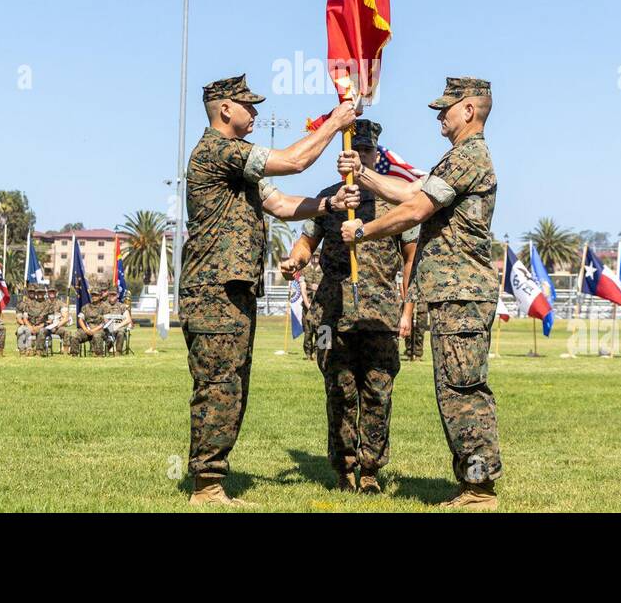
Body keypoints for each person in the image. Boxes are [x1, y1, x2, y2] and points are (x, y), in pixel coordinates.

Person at [180, 73, 358, 506]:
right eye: (248, 105)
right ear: (225, 109)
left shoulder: (237, 165)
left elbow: (279, 205)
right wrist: (334, 123)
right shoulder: (218, 150)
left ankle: (213, 480)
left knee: (233, 384)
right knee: (219, 384)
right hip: (213, 291)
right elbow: (294, 161)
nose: (255, 112)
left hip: (233, 289)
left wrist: (329, 204)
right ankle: (206, 486)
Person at [337, 77, 501, 510]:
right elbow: (410, 190)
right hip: (453, 294)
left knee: (462, 389)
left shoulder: (469, 156)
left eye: (445, 108)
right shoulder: (458, 157)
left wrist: (363, 230)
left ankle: (479, 489)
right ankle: (472, 483)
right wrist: (364, 173)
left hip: (461, 293)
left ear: (469, 110)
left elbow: (415, 209)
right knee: (454, 387)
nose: (439, 116)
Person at [281, 119, 417, 493]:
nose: (358, 156)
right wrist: (296, 260)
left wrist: (407, 310)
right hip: (332, 314)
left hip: (380, 315)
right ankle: (342, 468)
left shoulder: (395, 203)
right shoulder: (328, 198)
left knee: (378, 393)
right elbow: (306, 243)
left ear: (376, 153)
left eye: (365, 150)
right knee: (339, 392)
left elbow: (410, 258)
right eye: (350, 149)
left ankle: (371, 471)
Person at [67, 283, 115, 356]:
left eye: (96, 295)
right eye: (93, 295)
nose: (94, 297)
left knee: (97, 336)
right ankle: (74, 354)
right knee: (75, 336)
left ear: (100, 296)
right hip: (87, 329)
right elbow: (80, 319)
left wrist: (93, 330)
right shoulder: (86, 307)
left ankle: (98, 354)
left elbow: (105, 322)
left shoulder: (105, 307)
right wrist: (86, 330)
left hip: (100, 330)